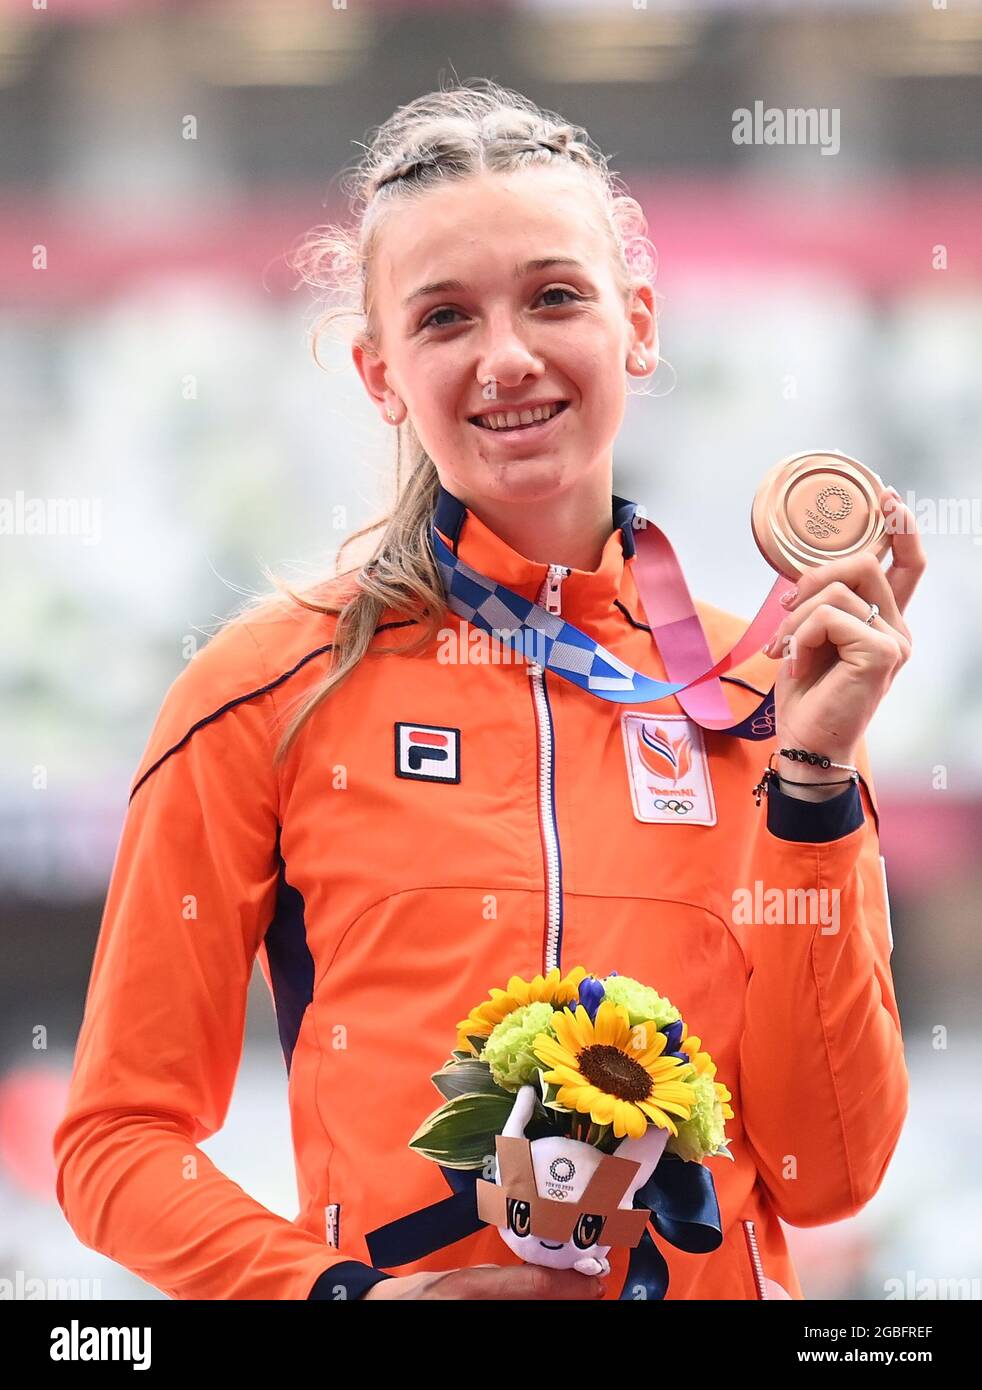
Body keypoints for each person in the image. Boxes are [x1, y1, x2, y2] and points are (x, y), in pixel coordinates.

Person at [52, 79, 925, 1301]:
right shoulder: (266, 692)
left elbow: (822, 1173)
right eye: (445, 317)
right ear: (378, 371)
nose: (506, 357)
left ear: (640, 324)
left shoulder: (770, 700)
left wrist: (815, 791)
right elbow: (113, 1143)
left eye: (554, 296)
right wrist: (327, 1298)